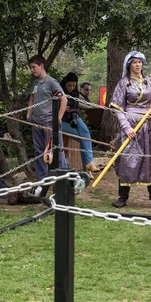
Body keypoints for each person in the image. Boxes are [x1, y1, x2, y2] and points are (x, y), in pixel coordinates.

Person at [109, 51, 151, 209]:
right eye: (135, 62)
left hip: (149, 128)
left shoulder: (150, 82)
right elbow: (118, 108)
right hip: (131, 127)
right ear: (129, 64)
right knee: (127, 160)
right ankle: (122, 197)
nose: (138, 65)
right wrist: (126, 127)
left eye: (140, 62)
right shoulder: (123, 83)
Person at [27, 55, 69, 197]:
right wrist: (28, 116)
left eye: (34, 67)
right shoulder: (35, 84)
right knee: (39, 152)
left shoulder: (51, 82)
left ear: (41, 66)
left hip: (51, 124)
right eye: (31, 68)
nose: (32, 70)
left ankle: (63, 183)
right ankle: (41, 183)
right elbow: (32, 100)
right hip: (36, 123)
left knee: (56, 151)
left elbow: (63, 99)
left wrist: (58, 118)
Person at [59, 72, 100, 175]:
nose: (71, 88)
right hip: (61, 121)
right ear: (65, 83)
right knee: (83, 140)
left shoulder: (75, 93)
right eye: (69, 85)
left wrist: (72, 110)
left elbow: (76, 107)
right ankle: (87, 166)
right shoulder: (59, 91)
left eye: (73, 85)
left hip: (74, 118)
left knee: (86, 134)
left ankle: (89, 162)